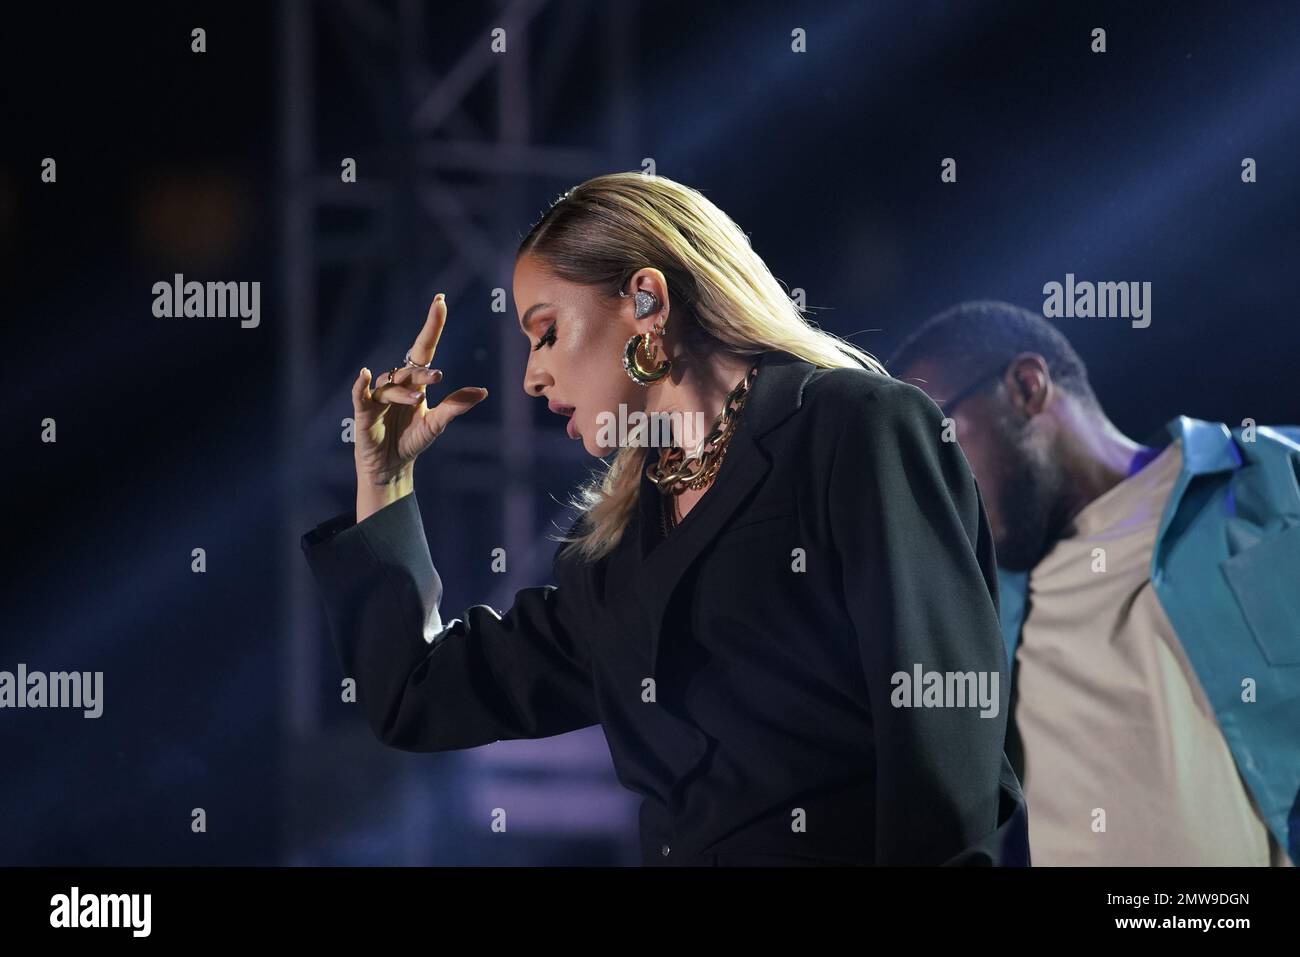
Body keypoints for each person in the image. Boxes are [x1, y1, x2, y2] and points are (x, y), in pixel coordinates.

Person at [301, 173, 1028, 866]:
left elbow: (943, 756)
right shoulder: (612, 557)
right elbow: (420, 695)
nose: (531, 374)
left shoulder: (854, 429)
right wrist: (385, 477)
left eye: (546, 331)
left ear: (646, 298)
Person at [888, 300, 1300, 866]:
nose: (932, 486)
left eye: (937, 444)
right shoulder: (965, 619)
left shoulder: (1282, 484)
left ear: (1027, 388)